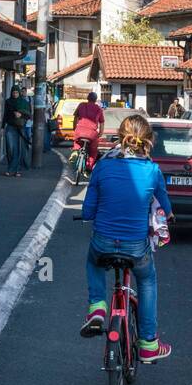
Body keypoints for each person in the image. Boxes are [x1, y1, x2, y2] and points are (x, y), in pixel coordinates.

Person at [79, 114, 173, 364]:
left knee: (93, 261)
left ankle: (97, 307)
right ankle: (149, 343)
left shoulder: (103, 166)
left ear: (119, 138)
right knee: (148, 280)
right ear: (149, 141)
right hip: (135, 246)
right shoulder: (152, 171)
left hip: (103, 242)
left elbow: (87, 211)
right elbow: (166, 207)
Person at [72, 91, 104, 173]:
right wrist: (100, 133)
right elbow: (102, 122)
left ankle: (76, 151)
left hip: (80, 130)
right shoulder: (99, 109)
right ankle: (89, 167)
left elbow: (76, 117)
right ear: (96, 100)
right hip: (92, 133)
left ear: (87, 98)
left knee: (77, 142)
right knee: (93, 151)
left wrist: (75, 128)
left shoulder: (81, 105)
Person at [2, 85, 31, 176]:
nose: (15, 94)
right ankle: (12, 167)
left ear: (19, 93)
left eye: (16, 93)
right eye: (13, 93)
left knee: (18, 148)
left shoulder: (24, 102)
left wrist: (21, 115)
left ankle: (15, 170)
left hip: (20, 127)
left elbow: (29, 115)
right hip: (10, 126)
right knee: (10, 148)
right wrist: (3, 126)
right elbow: (5, 114)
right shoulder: (8, 102)